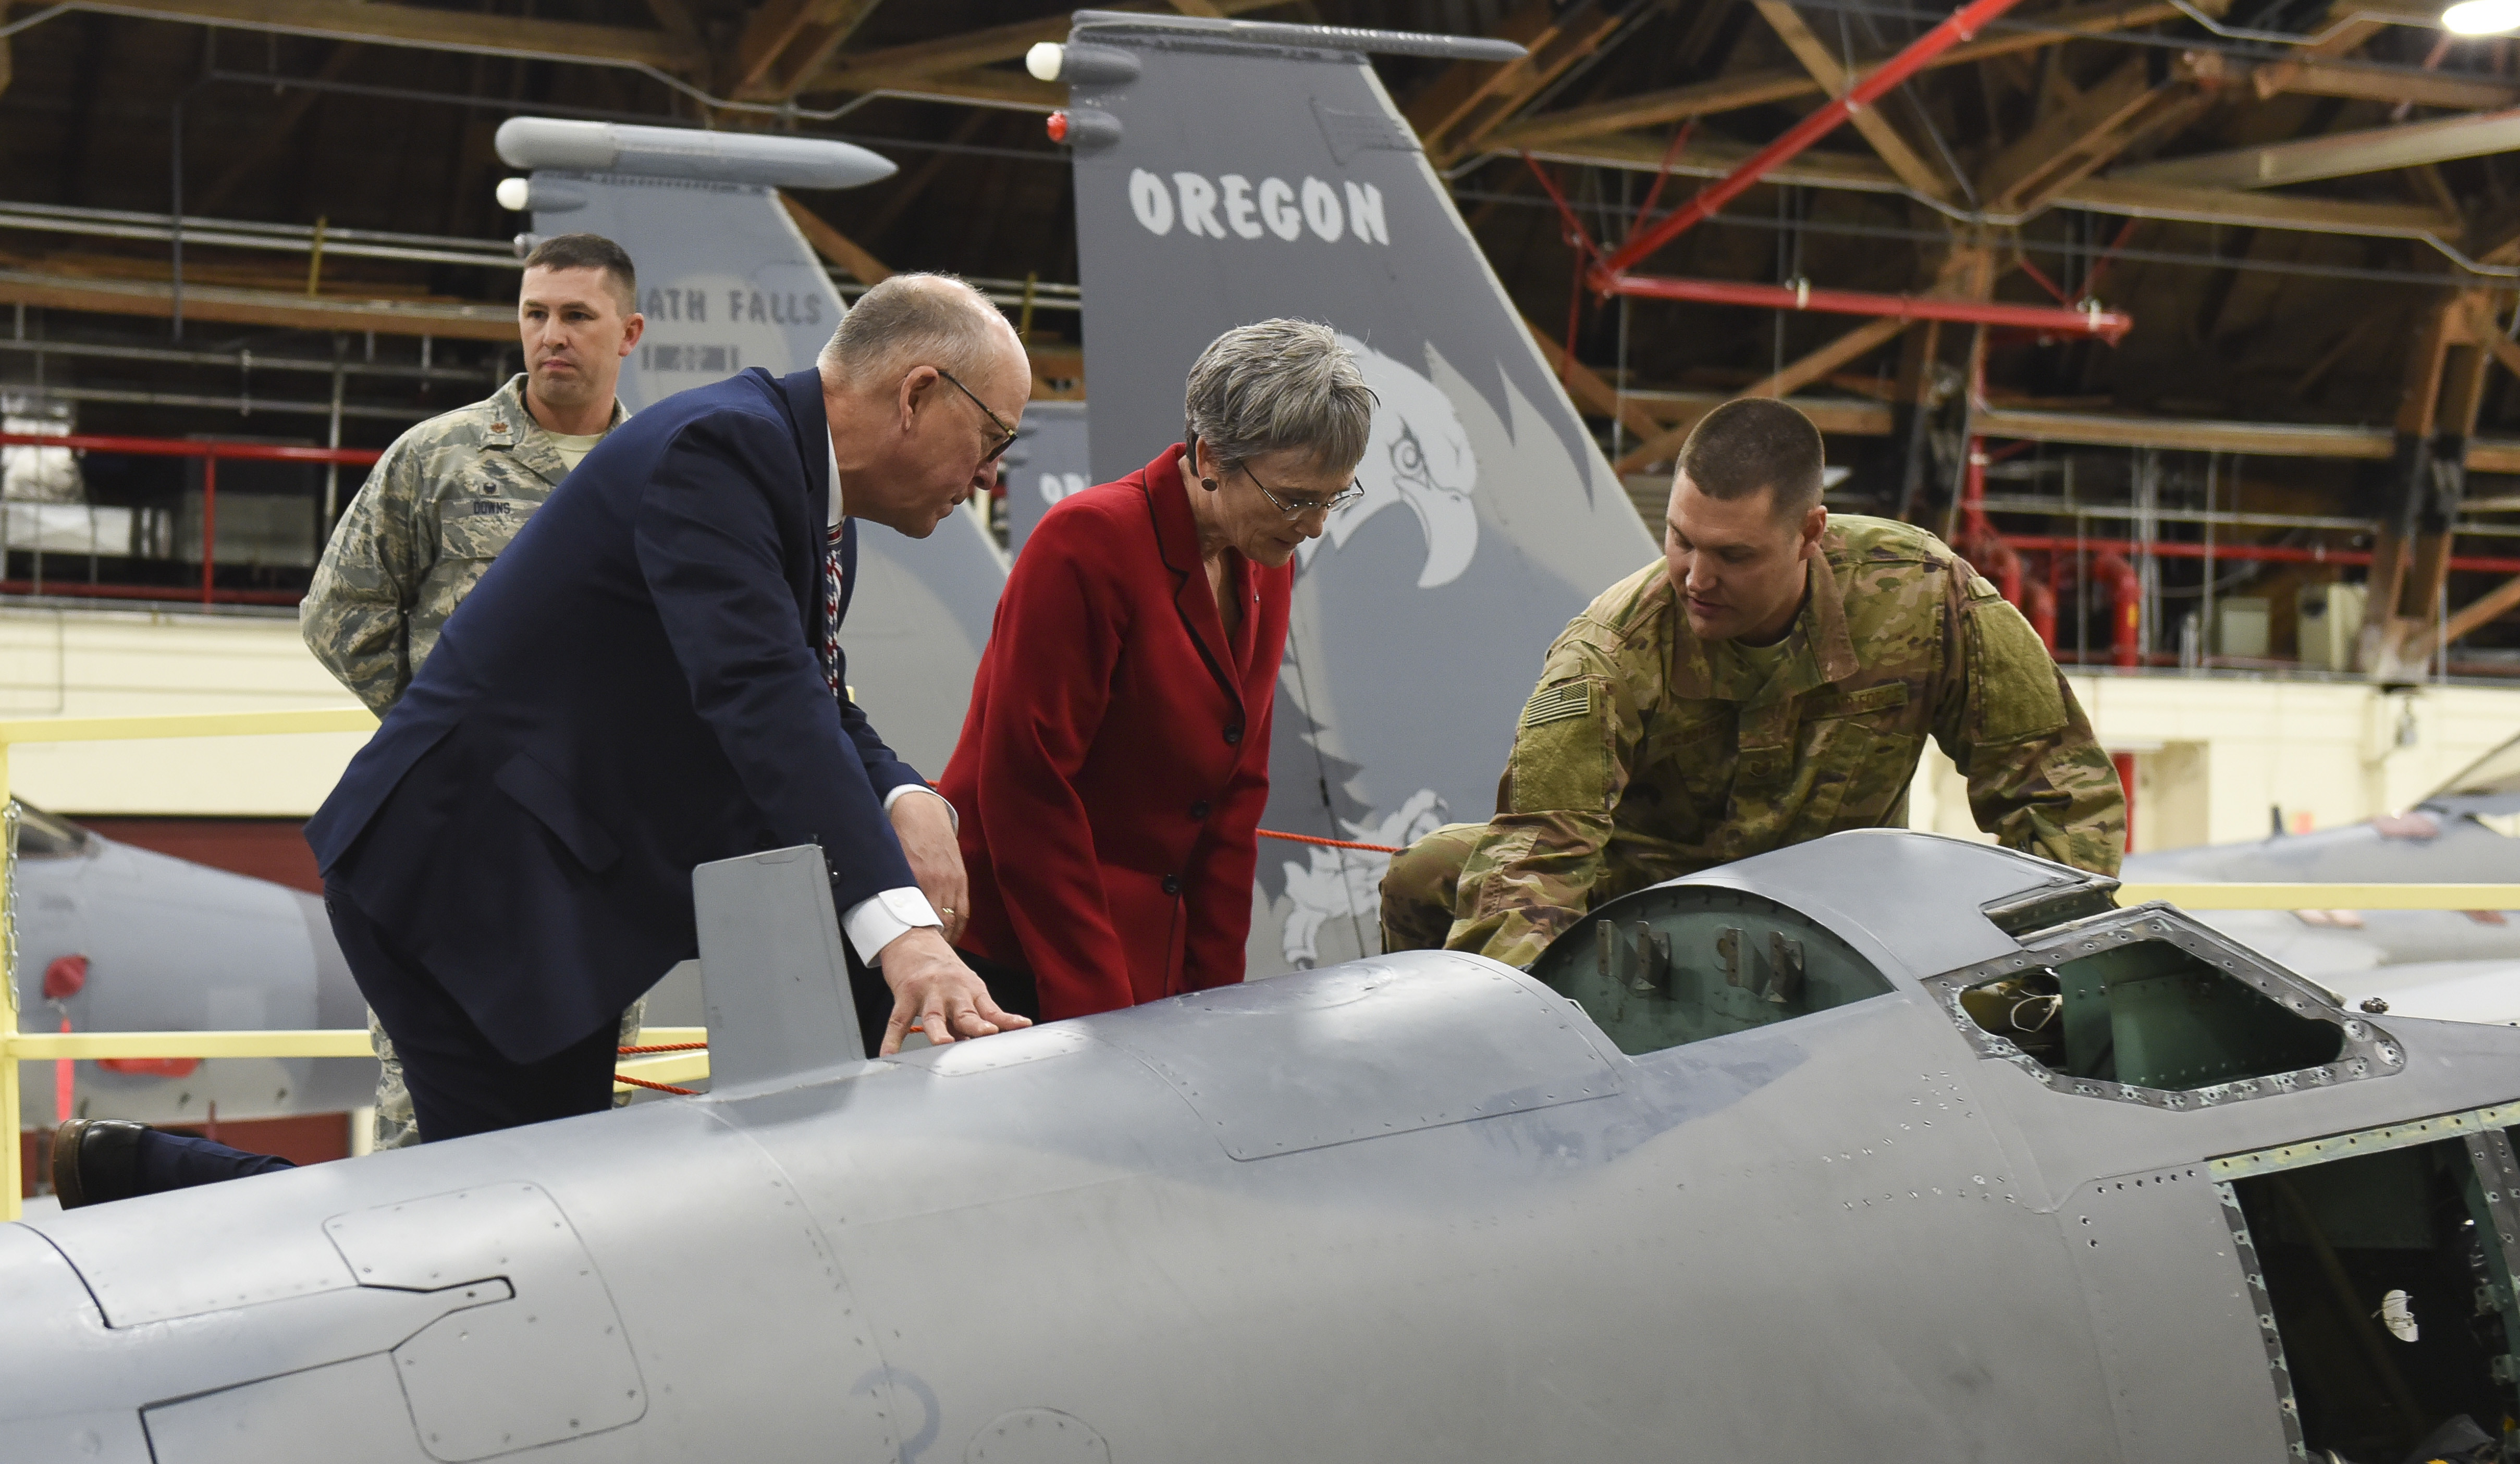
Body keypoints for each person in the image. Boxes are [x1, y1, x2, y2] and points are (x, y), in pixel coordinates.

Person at [52, 273, 1030, 1207]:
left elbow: (813, 688)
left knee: (507, 1206)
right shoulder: (722, 453)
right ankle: (158, 1180)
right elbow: (761, 694)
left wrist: (904, 795)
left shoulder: (802, 491)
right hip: (470, 883)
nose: (989, 476)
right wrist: (901, 934)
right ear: (915, 394)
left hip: (547, 895)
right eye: (993, 438)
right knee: (512, 1223)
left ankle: (141, 1172)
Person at [1380, 396, 2125, 967]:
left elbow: (2060, 790)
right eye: (1680, 539)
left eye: (1733, 555)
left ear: (1811, 534)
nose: (1696, 578)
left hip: (1848, 912)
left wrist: (2042, 968)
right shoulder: (1609, 651)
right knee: (1431, 870)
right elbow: (1539, 855)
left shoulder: (1924, 597)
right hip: (1649, 903)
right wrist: (1499, 1046)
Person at [301, 230, 646, 1151]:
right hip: (450, 838)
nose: (552, 336)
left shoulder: (661, 471)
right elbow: (340, 612)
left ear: (630, 331)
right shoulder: (440, 459)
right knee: (431, 1124)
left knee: (578, 1129)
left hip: (587, 853)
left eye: (578, 316)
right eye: (536, 315)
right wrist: (451, 740)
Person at [938, 321, 1372, 1019]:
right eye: (1296, 498)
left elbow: (1236, 797)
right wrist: (1097, 1007)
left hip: (1150, 961)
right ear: (1210, 457)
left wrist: (1214, 998)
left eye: (1333, 498)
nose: (1316, 525)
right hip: (1028, 960)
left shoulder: (1263, 558)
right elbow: (1030, 792)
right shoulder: (1087, 546)